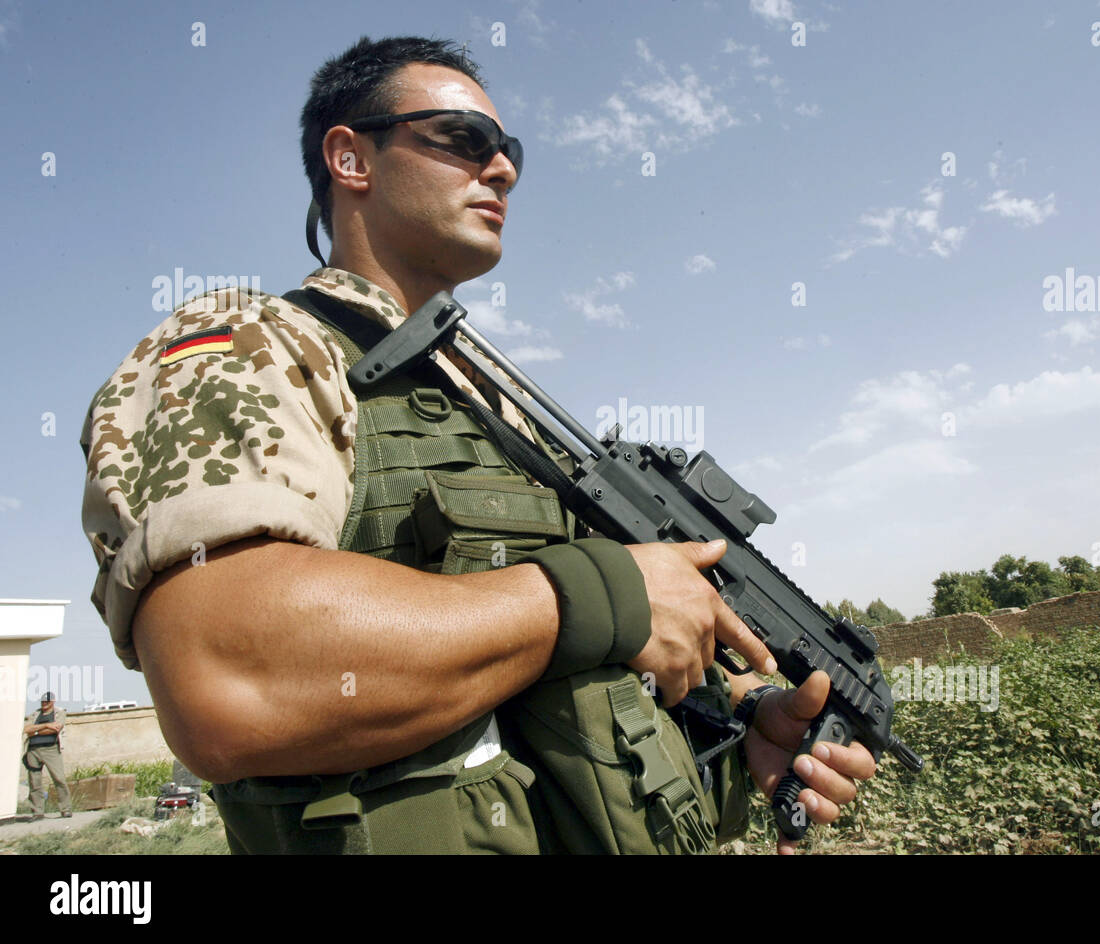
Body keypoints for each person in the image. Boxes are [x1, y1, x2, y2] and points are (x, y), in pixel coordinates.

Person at [79, 35, 874, 854]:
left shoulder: (496, 408)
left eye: (510, 151)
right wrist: (598, 596)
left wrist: (735, 736)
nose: (502, 170)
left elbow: (562, 701)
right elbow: (228, 675)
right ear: (351, 158)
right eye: (465, 141)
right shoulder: (252, 343)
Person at [22, 692, 72, 819]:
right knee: (34, 782)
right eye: (43, 701)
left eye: (47, 701)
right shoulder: (35, 714)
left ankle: (65, 809)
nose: (45, 703)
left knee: (59, 779)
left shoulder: (59, 713)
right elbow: (27, 730)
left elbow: (56, 728)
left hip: (51, 750)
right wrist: (46, 725)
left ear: (53, 701)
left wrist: (36, 731)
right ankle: (37, 811)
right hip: (33, 750)